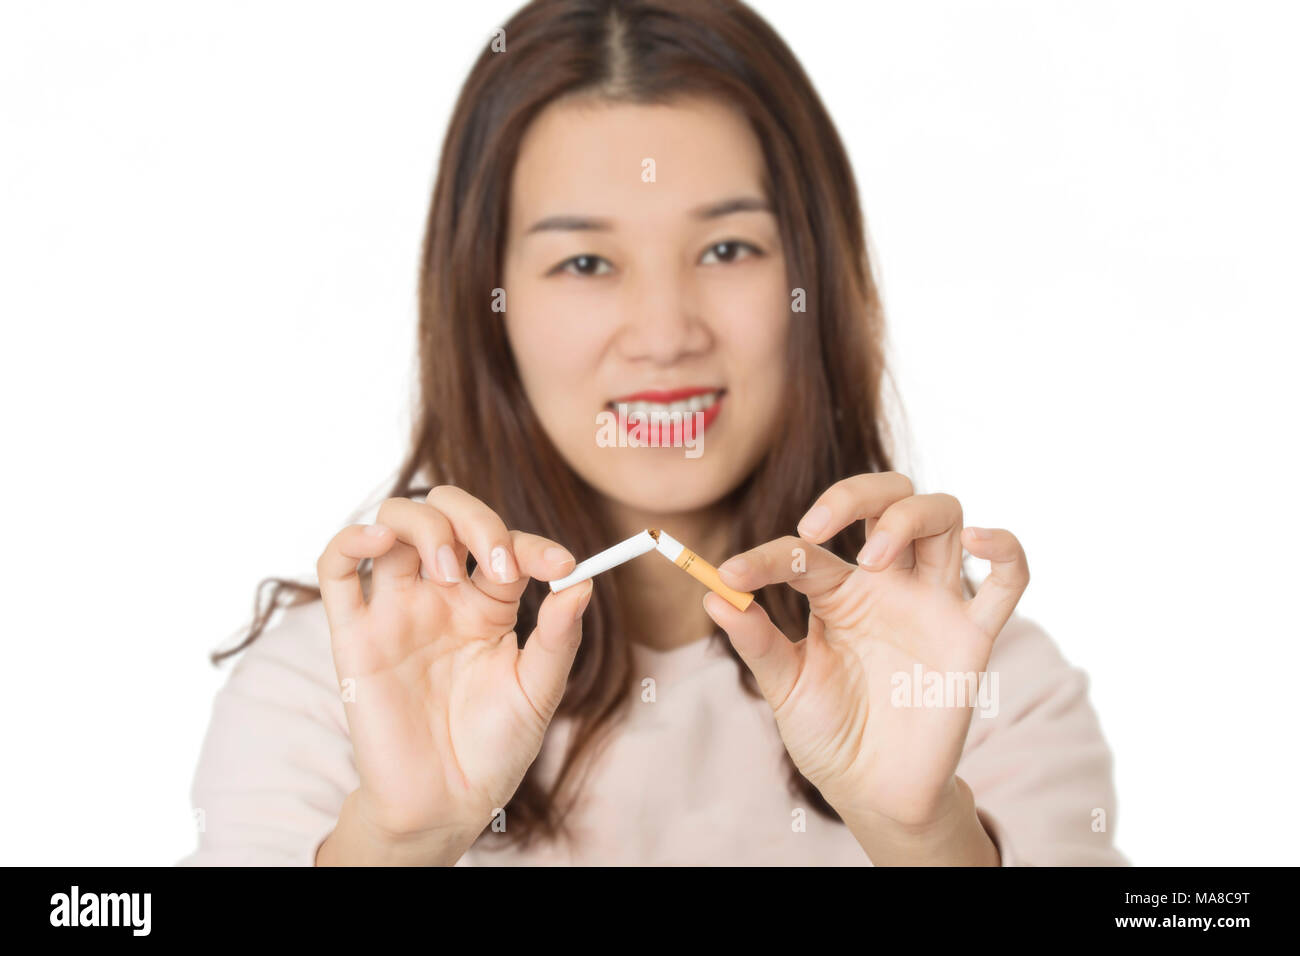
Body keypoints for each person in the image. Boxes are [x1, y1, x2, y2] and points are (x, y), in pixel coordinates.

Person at [180, 0, 1126, 866]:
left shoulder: (979, 679)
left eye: (727, 249)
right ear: (486, 305)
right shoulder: (333, 682)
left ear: (815, 283)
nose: (667, 332)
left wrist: (922, 838)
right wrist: (399, 841)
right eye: (586, 260)